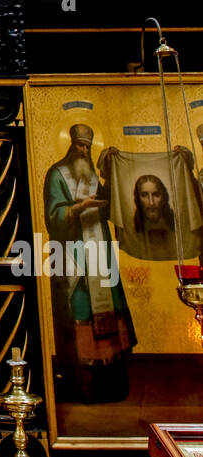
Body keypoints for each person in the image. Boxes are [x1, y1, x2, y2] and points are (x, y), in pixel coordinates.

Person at [43, 122, 136, 400]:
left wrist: (112, 169)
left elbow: (112, 202)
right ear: (71, 145)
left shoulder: (93, 175)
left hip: (100, 254)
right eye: (79, 146)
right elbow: (53, 216)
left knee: (110, 308)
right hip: (75, 256)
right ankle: (84, 385)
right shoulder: (57, 174)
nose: (83, 151)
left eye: (87, 146)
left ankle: (113, 383)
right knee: (81, 309)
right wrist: (77, 208)